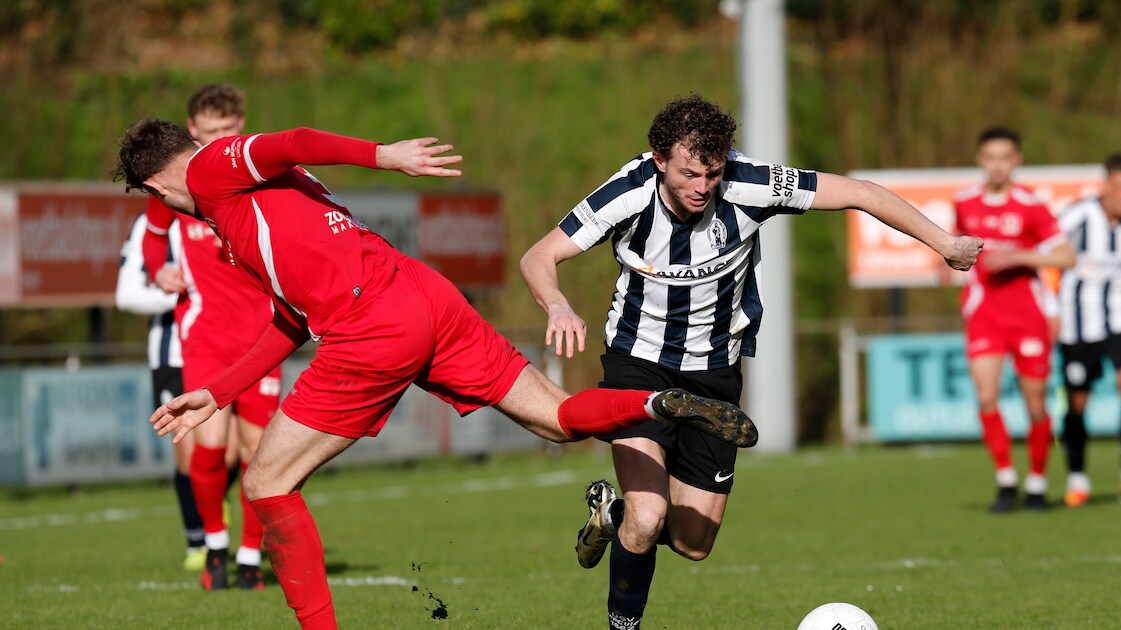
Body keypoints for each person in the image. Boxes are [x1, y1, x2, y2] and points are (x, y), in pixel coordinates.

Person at [115, 117, 758, 629]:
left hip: (371, 325)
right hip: (422, 295)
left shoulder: (207, 167)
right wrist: (217, 391)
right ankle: (655, 403)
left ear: (154, 189)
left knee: (264, 484)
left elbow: (293, 141)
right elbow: (290, 318)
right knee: (560, 420)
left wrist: (383, 156)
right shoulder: (245, 217)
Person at [519, 94, 982, 629]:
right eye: (690, 173)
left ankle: (614, 517)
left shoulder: (749, 182)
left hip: (715, 376)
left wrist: (943, 242)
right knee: (650, 519)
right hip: (639, 364)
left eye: (711, 174)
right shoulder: (626, 195)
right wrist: (557, 304)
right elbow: (540, 255)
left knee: (693, 545)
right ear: (658, 159)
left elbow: (860, 192)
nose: (702, 187)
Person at [140, 84, 280, 590]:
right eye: (210, 130)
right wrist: (159, 273)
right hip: (204, 338)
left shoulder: (256, 179)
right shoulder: (178, 188)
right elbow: (152, 240)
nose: (220, 137)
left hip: (264, 334)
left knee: (257, 451)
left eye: (228, 129)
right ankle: (213, 548)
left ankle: (248, 557)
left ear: (241, 126)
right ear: (193, 129)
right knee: (210, 442)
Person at [953, 127, 1076, 513]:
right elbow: (956, 247)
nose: (998, 165)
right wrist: (947, 265)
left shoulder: (1031, 205)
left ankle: (1037, 482)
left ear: (1017, 161)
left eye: (1005, 157)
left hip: (1028, 314)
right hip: (985, 312)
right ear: (980, 160)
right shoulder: (965, 202)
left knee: (1035, 404)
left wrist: (1020, 257)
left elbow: (1066, 256)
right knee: (987, 396)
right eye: (991, 157)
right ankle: (1006, 481)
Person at [1055, 154, 1121, 509]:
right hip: (1077, 324)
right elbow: (1046, 255)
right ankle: (1077, 476)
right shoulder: (1076, 216)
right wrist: (1051, 309)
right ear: (1106, 186)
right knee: (1078, 401)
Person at [115, 211, 210, 570]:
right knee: (187, 452)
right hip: (173, 356)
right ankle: (199, 540)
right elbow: (126, 295)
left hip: (223, 347)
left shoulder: (223, 209)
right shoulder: (151, 224)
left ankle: (215, 506)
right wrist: (182, 295)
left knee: (228, 451)